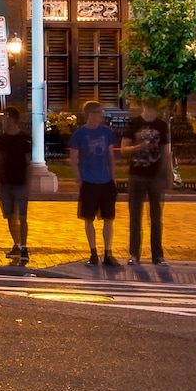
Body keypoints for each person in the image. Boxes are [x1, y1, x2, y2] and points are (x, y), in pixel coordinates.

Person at [122, 104, 175, 275]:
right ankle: (134, 253)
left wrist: (167, 175)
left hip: (155, 176)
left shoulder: (162, 125)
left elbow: (166, 151)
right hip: (137, 174)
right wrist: (138, 148)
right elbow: (124, 149)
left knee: (156, 217)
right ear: (144, 105)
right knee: (135, 216)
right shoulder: (134, 123)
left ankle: (157, 255)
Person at [69, 102, 122, 270]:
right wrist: (79, 178)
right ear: (90, 114)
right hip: (88, 180)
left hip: (105, 180)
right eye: (98, 112)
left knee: (108, 218)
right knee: (88, 218)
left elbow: (110, 156)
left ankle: (108, 252)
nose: (101, 115)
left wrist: (113, 177)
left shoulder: (106, 132)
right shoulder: (80, 134)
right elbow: (73, 158)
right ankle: (93, 252)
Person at [0, 106, 35, 264]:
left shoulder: (24, 139)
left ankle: (24, 247)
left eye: (7, 118)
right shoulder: (2, 139)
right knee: (9, 216)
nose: (4, 121)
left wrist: (29, 184)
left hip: (20, 182)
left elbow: (29, 162)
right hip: (5, 182)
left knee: (22, 217)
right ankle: (17, 244)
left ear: (14, 120)